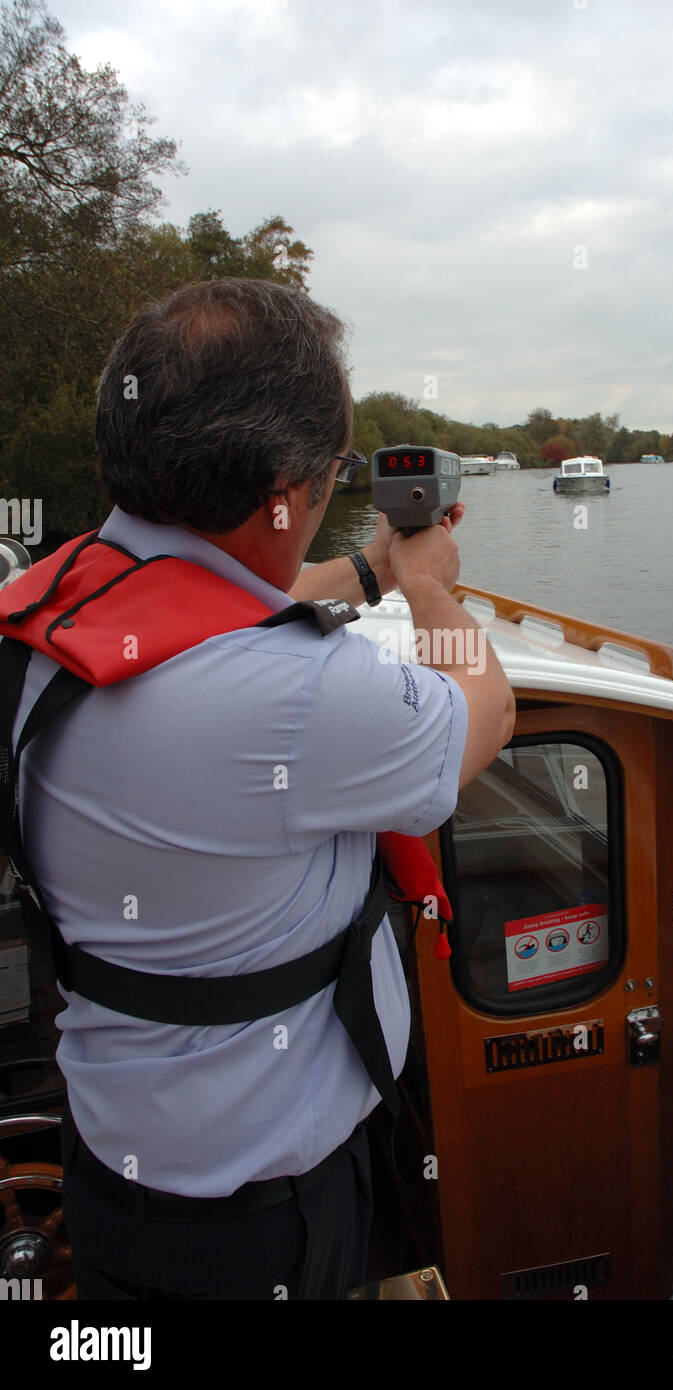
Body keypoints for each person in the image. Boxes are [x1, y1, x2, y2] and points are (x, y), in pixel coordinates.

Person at [3, 278, 515, 1299]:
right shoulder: (299, 698)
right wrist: (429, 585)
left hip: (112, 1178)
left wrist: (365, 568)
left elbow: (212, 605)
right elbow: (486, 711)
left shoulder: (52, 605)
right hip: (262, 1226)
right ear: (289, 482)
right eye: (336, 470)